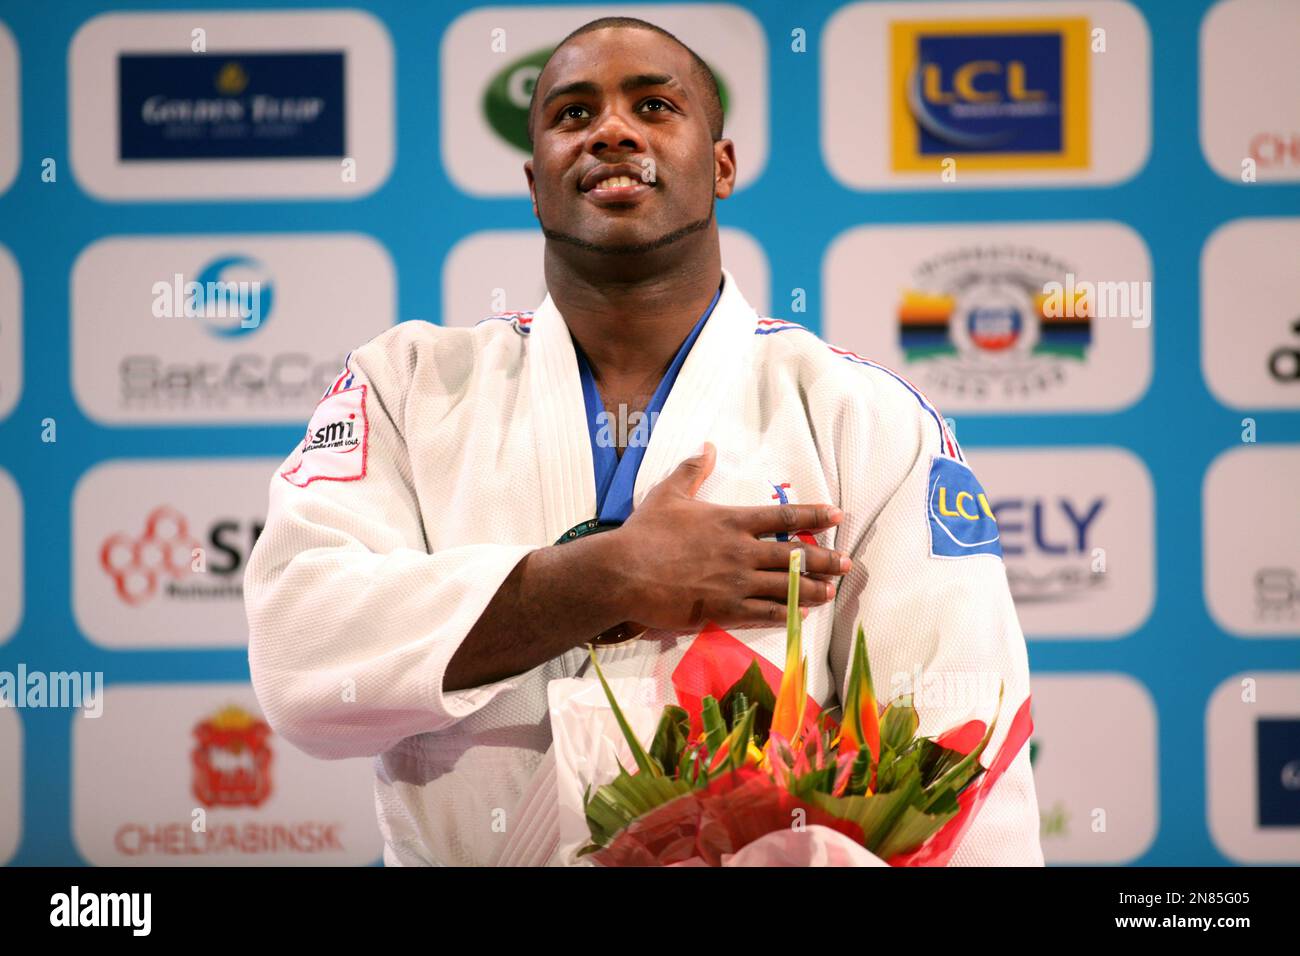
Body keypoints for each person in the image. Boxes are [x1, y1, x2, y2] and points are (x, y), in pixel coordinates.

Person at [244, 16, 1044, 867]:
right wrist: (610, 576)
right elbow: (301, 654)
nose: (613, 130)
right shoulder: (408, 386)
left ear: (722, 166)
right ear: (535, 180)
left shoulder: (861, 415)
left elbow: (959, 755)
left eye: (655, 106)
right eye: (572, 115)